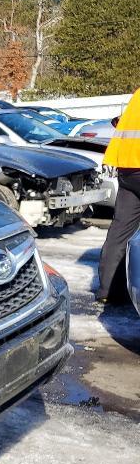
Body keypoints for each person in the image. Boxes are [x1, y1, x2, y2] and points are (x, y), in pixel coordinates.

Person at [97, 88, 140, 303]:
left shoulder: (138, 95)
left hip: (127, 171)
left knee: (120, 231)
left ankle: (108, 290)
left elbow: (120, 125)